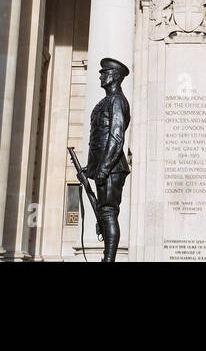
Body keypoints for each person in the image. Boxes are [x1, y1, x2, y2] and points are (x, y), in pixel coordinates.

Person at [86, 57, 131, 262]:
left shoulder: (117, 101)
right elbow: (98, 139)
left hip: (112, 167)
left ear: (115, 77)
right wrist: (91, 168)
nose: (101, 76)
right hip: (104, 166)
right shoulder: (105, 102)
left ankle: (109, 259)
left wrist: (103, 168)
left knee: (109, 212)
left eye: (105, 73)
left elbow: (116, 137)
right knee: (104, 212)